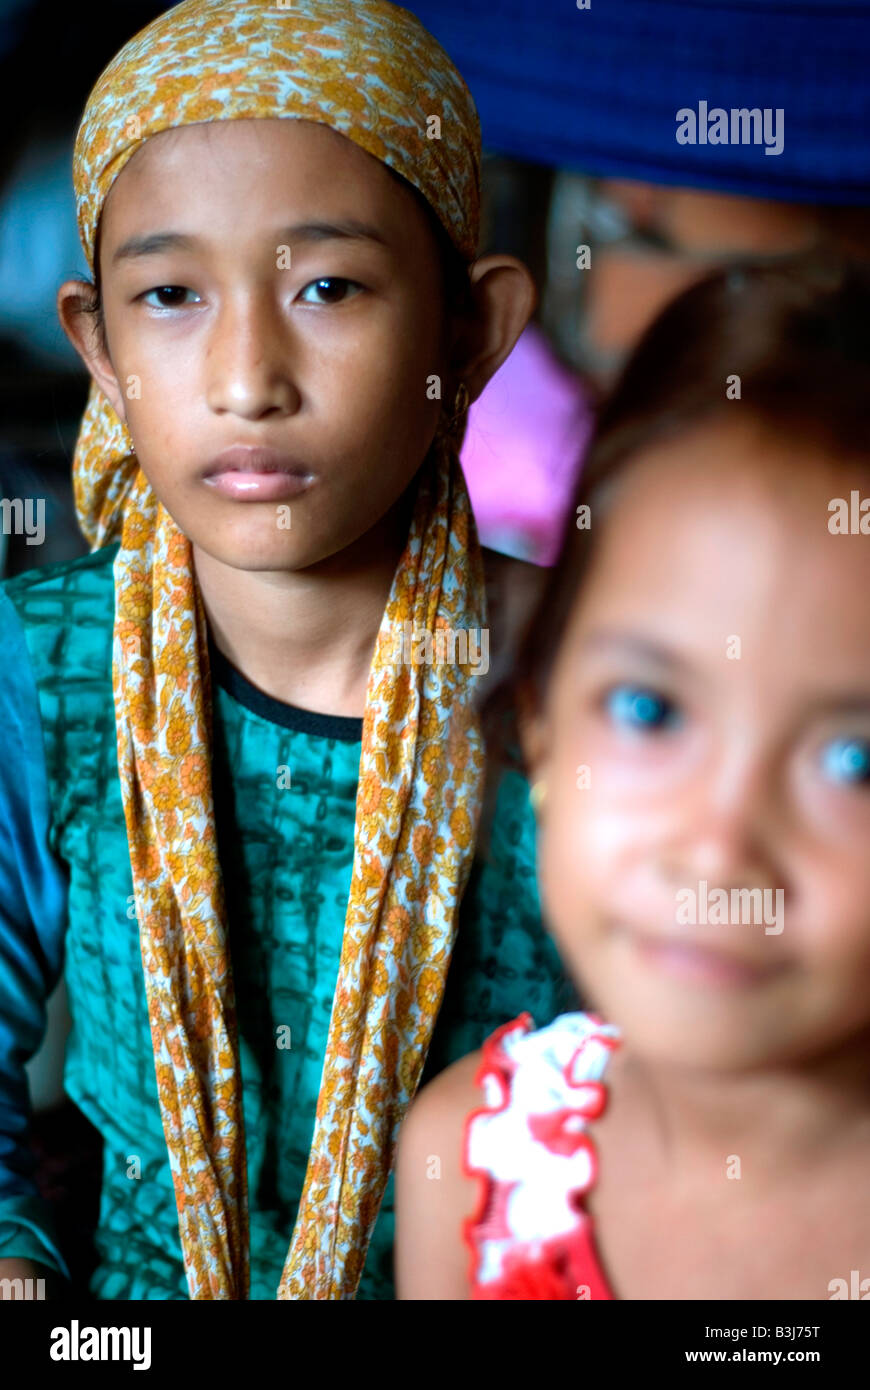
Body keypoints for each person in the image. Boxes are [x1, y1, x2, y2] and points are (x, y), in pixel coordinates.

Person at [0, 0, 573, 1302]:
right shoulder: (40, 663)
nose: (247, 375)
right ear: (99, 347)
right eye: (170, 296)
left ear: (469, 334)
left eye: (326, 287)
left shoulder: (582, 676)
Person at [395, 255, 870, 1299]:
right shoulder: (471, 1168)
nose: (718, 846)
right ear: (543, 728)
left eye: (855, 760)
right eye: (650, 710)